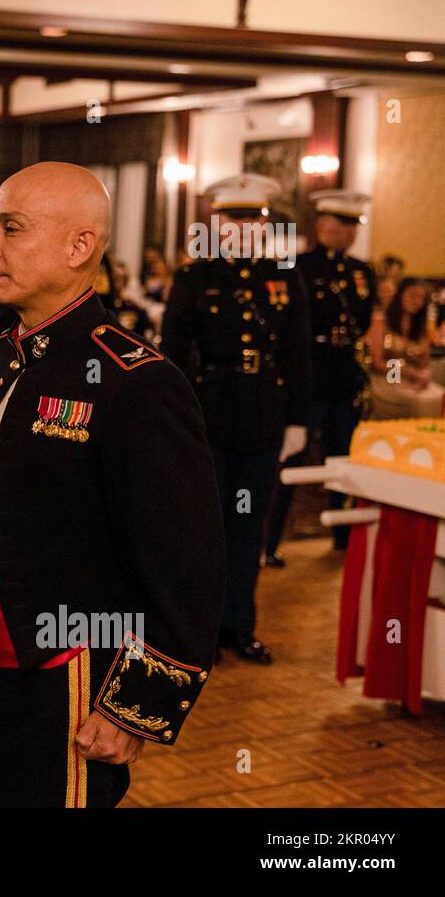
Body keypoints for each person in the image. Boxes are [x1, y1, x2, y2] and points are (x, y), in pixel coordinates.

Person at [0, 162, 224, 808]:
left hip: (67, 670)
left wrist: (135, 706)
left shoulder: (137, 381)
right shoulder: (3, 351)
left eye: (10, 228)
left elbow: (190, 564)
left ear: (79, 247)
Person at [162, 174, 311, 665]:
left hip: (265, 416)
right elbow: (173, 357)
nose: (245, 227)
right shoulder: (195, 278)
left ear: (264, 224)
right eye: (235, 218)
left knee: (250, 528)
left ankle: (239, 626)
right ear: (217, 223)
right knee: (205, 527)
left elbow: (296, 353)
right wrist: (177, 422)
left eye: (254, 218)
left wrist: (297, 421)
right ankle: (197, 631)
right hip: (211, 415)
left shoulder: (285, 275)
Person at [265, 190, 376, 564]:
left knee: (343, 457)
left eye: (353, 225)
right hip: (309, 373)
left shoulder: (362, 272)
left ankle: (344, 537)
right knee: (292, 459)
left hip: (343, 375)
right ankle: (271, 541)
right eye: (343, 224)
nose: (349, 232)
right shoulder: (295, 265)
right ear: (324, 224)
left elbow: (361, 324)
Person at [367, 278, 443, 417]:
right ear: (400, 294)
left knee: (439, 397)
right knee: (418, 400)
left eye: (421, 298)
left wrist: (424, 374)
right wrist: (407, 372)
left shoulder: (420, 328)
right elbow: (377, 362)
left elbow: (425, 362)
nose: (416, 301)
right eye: (412, 295)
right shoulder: (381, 322)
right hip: (389, 377)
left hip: (413, 379)